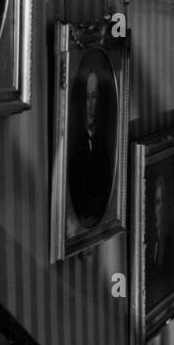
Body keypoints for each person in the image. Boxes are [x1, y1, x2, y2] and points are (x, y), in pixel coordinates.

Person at [67, 67, 114, 228]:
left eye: (94, 97)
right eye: (87, 98)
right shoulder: (74, 146)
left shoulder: (103, 145)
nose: (91, 105)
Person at [144, 168, 174, 305]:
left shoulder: (169, 248)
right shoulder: (144, 241)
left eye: (159, 202)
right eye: (154, 203)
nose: (156, 210)